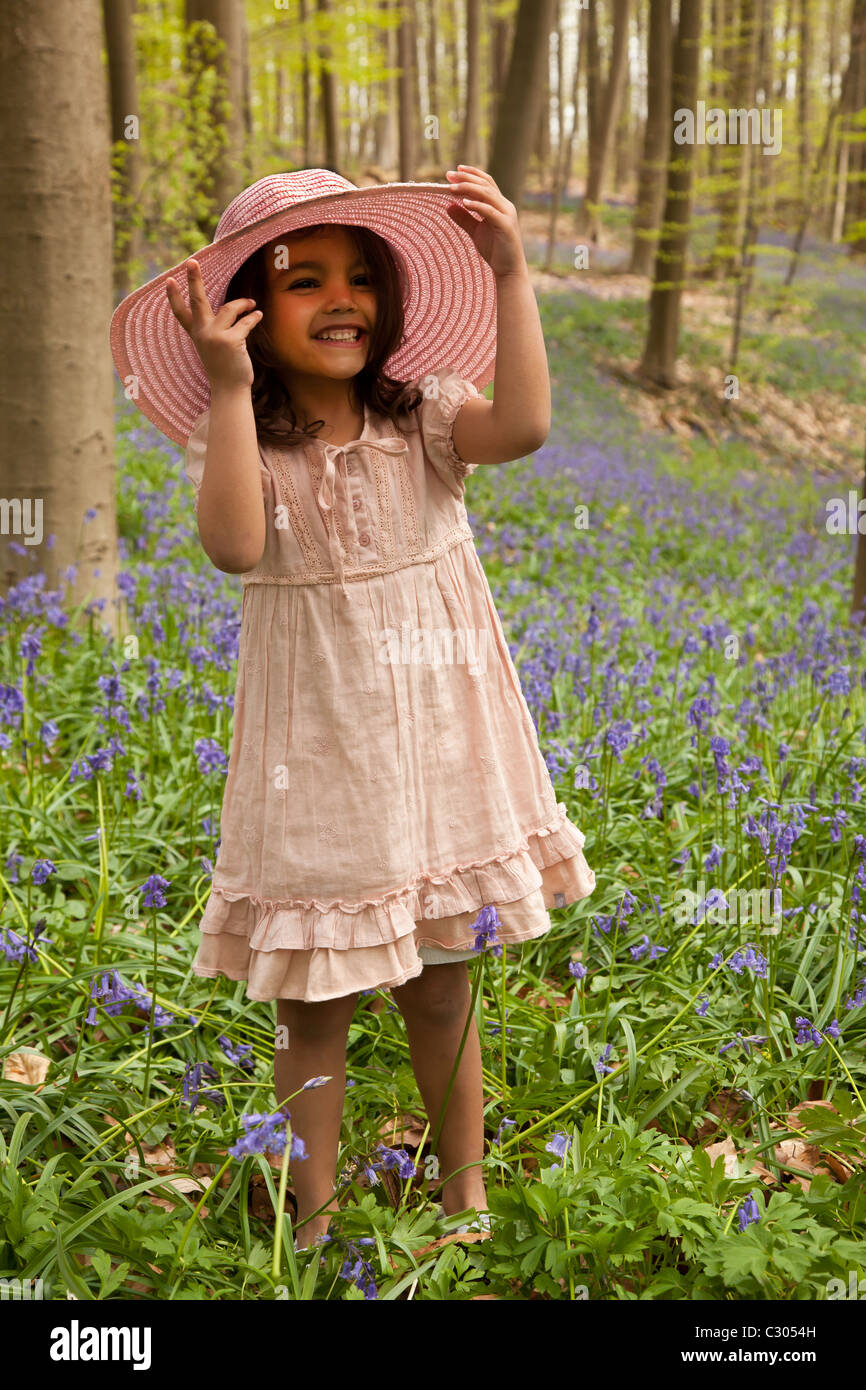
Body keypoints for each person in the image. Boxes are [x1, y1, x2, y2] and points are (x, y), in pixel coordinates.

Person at [110, 165, 596, 1254]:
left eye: (360, 278)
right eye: (302, 280)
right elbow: (234, 546)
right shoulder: (250, 443)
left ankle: (463, 1193)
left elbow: (520, 425)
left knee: (441, 977)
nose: (341, 299)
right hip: (318, 756)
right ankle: (314, 1221)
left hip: (439, 742)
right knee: (314, 1001)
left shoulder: (422, 419)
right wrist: (228, 388)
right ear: (244, 307)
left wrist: (510, 271)